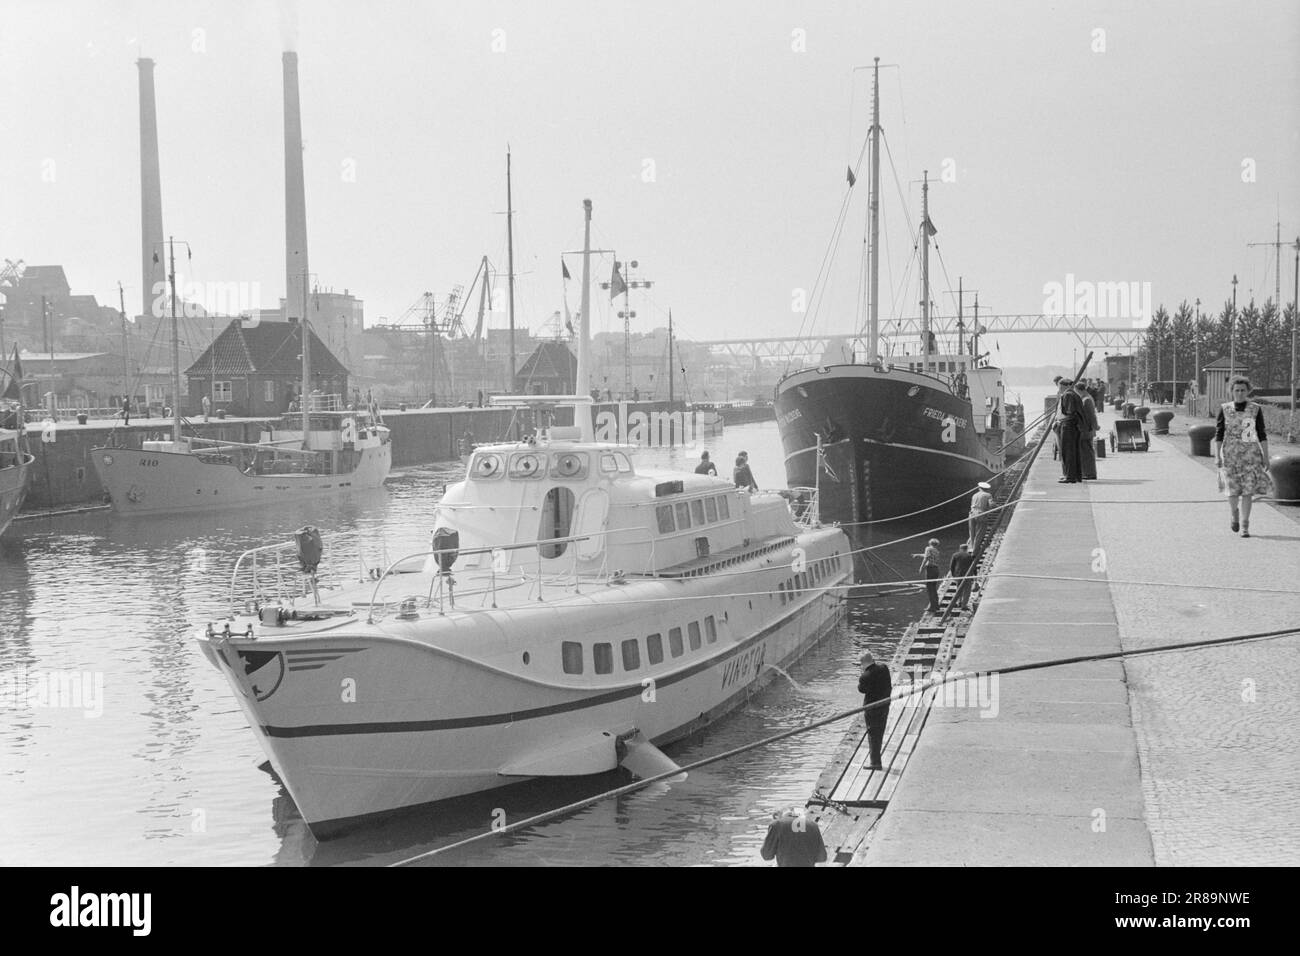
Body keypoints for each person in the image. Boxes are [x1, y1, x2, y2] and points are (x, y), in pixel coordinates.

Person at [1215, 376, 1272, 538]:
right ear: (1232, 392)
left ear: (1248, 391)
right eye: (1236, 390)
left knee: (1248, 491)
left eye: (1243, 390)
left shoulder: (1255, 409)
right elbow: (1219, 433)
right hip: (1230, 454)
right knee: (1233, 491)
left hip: (1250, 455)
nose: (1240, 393)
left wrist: (1266, 457)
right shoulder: (1225, 409)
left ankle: (1246, 525)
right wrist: (1217, 456)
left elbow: (1262, 434)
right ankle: (1234, 513)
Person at [857, 651, 893, 770]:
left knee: (873, 735)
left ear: (863, 663)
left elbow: (862, 690)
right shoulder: (884, 668)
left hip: (872, 710)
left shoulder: (865, 676)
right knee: (880, 732)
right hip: (884, 706)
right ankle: (876, 760)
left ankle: (875, 763)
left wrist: (862, 674)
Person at [759, 806, 827, 867]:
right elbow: (822, 857)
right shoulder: (813, 825)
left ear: (777, 816)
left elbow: (766, 855)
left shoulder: (777, 824)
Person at [1057, 380, 1084, 483]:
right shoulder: (1075, 394)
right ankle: (1076, 475)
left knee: (1068, 451)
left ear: (1065, 386)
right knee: (1074, 451)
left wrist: (1061, 420)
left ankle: (1069, 476)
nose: (1059, 389)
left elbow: (1070, 412)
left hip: (1068, 426)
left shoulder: (1068, 395)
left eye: (1060, 386)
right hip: (1075, 426)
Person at [1075, 380, 1099, 480]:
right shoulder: (1086, 398)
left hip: (1086, 430)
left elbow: (1091, 416)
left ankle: (1090, 473)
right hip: (1087, 429)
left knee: (1087, 452)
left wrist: (1095, 426)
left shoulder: (1086, 400)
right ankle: (1088, 472)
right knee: (1086, 452)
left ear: (1078, 390)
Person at [913, 537, 942, 613]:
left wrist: (921, 568)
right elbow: (927, 555)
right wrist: (918, 555)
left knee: (929, 588)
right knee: (933, 588)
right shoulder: (936, 551)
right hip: (936, 570)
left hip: (930, 569)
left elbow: (926, 558)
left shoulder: (928, 548)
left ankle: (932, 607)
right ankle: (936, 605)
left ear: (930, 543)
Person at [949, 542, 976, 610]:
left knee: (959, 589)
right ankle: (964, 605)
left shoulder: (955, 555)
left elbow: (952, 566)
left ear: (960, 549)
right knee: (967, 590)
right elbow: (973, 566)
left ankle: (959, 602)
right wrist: (975, 574)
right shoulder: (969, 556)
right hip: (967, 575)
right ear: (967, 549)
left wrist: (953, 574)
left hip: (958, 575)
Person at [968, 481, 993, 550]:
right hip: (981, 514)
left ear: (979, 488)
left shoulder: (974, 495)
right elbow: (991, 505)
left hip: (971, 514)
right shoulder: (988, 495)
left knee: (972, 532)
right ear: (987, 489)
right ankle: (975, 551)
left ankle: (971, 547)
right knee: (980, 532)